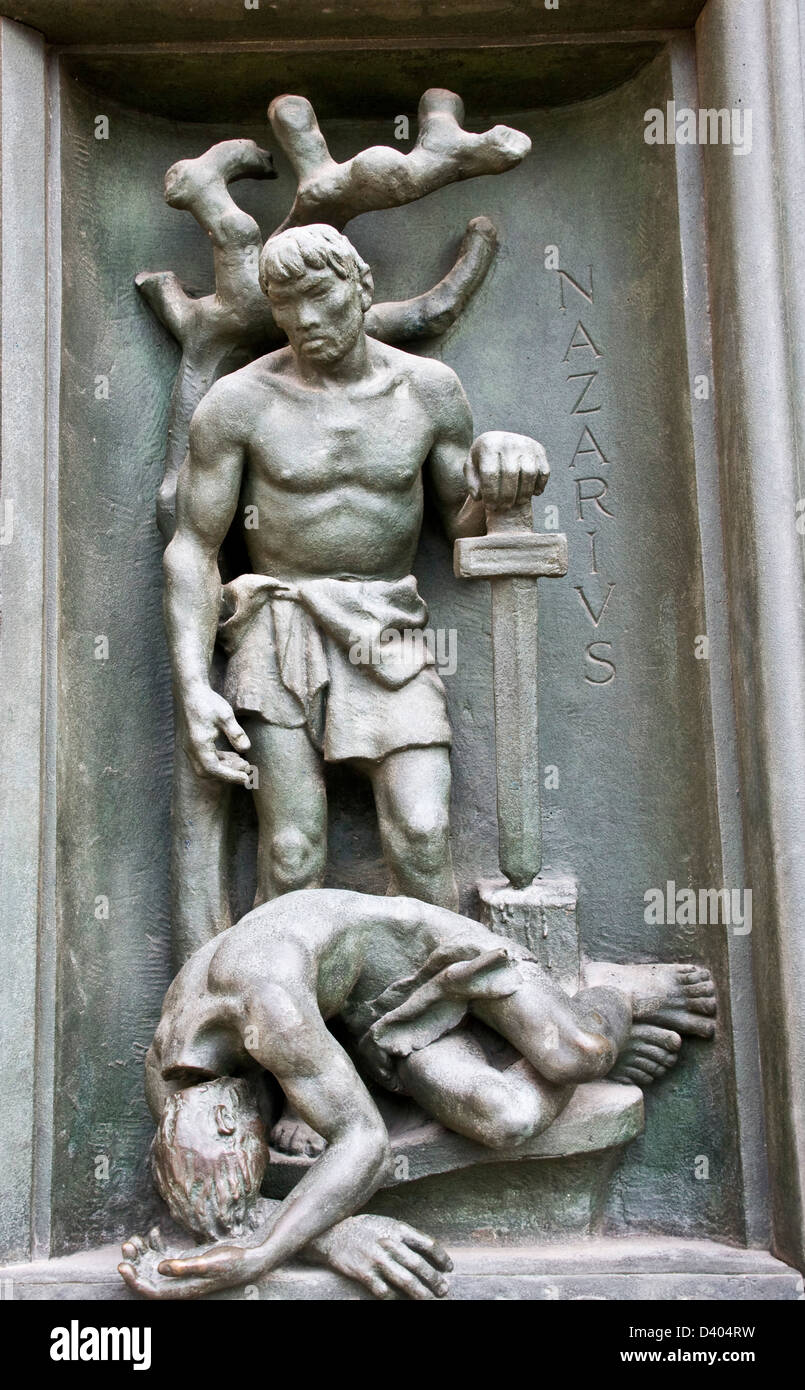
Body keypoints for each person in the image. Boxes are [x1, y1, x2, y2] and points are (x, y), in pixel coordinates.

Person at [163, 223, 549, 921]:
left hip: (387, 629)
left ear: (360, 285)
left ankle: (437, 1008)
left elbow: (460, 520)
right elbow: (194, 546)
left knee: (424, 834)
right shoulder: (239, 402)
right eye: (284, 304)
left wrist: (500, 470)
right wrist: (195, 687)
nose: (305, 320)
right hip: (278, 628)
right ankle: (275, 1014)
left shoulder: (429, 391)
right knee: (290, 852)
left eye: (320, 295)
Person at [121, 888, 715, 1298]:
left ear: (231, 1122)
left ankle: (612, 997)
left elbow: (363, 1142)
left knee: (575, 1055)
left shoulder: (266, 1007)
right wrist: (336, 1236)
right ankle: (533, 1054)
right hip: (373, 1032)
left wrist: (262, 1253)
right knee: (507, 1116)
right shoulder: (170, 1090)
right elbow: (227, 1212)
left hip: (426, 965)